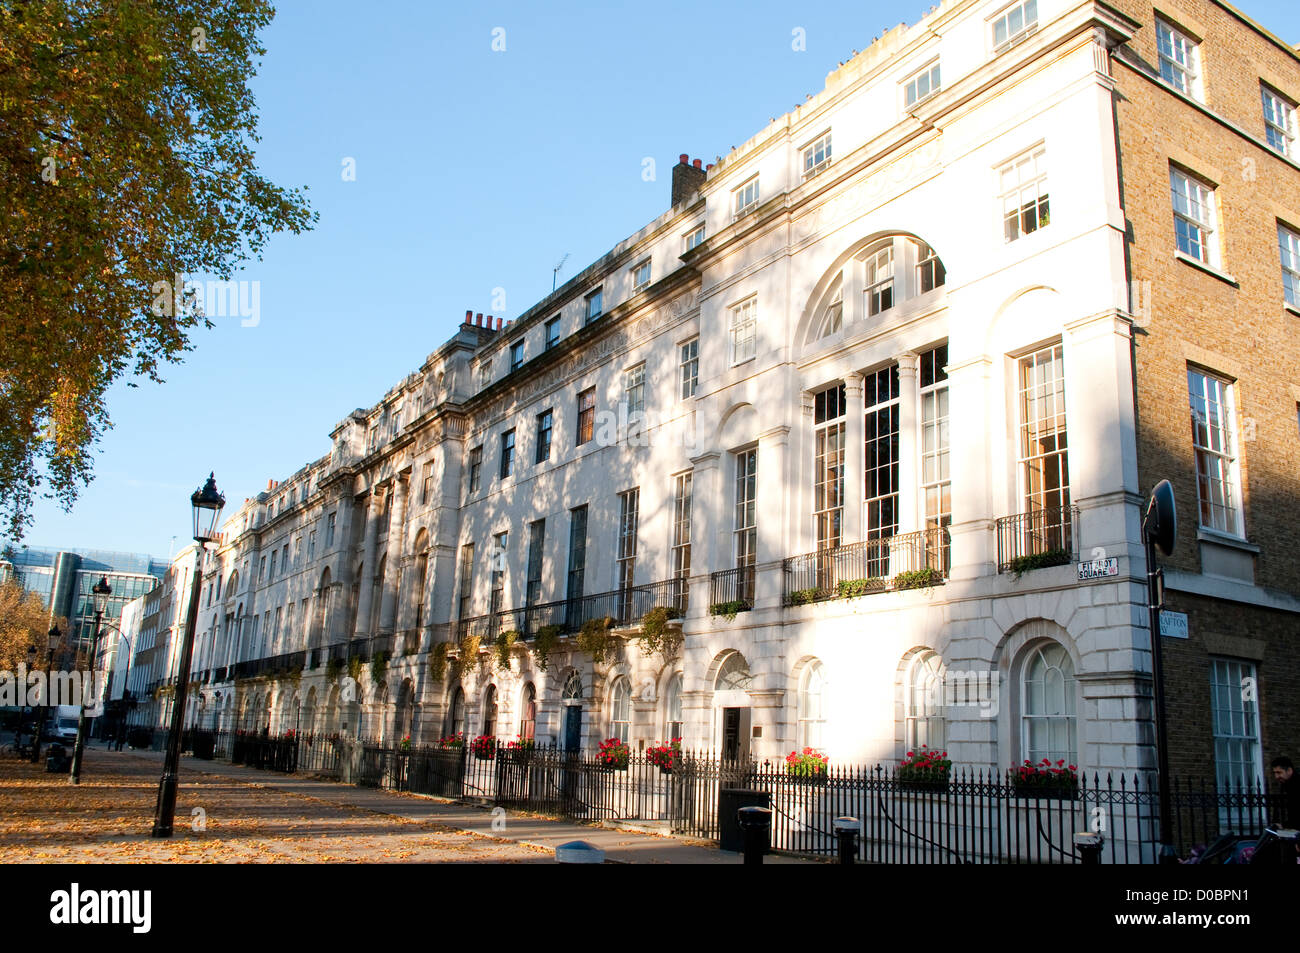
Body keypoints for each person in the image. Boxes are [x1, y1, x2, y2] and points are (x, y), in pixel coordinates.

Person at [1271, 756, 1300, 829]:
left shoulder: (1295, 785)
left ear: (1289, 770)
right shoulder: (1287, 784)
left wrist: (1286, 825)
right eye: (1275, 773)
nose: (1276, 776)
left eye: (1279, 772)